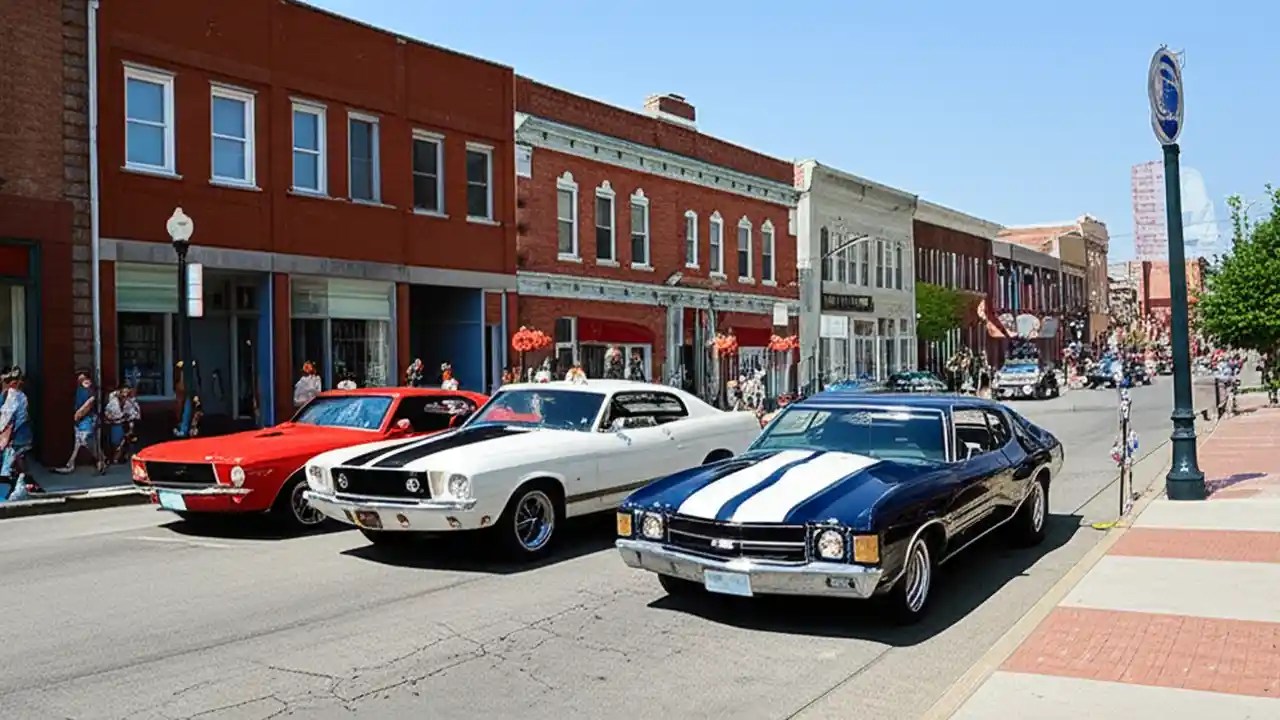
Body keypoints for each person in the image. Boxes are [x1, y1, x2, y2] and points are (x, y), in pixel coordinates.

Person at [0, 368, 42, 499]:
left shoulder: (14, 396)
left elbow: (7, 419)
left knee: (10, 465)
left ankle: (15, 491)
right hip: (21, 435)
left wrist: (2, 434)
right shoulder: (19, 396)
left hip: (16, 436)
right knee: (18, 462)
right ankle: (28, 485)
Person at [54, 371, 105, 474]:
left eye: (86, 379)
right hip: (80, 421)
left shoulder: (90, 393)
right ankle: (70, 464)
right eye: (81, 380)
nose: (84, 382)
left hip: (86, 420)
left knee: (87, 442)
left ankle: (101, 460)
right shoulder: (80, 391)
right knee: (78, 443)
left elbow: (87, 406)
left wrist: (78, 414)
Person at [103, 383, 141, 465]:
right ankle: (113, 456)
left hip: (126, 422)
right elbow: (108, 413)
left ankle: (120, 456)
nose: (125, 395)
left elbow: (135, 413)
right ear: (119, 391)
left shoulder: (130, 401)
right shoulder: (112, 399)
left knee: (127, 440)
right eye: (123, 392)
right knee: (115, 441)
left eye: (127, 393)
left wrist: (130, 418)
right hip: (114, 423)